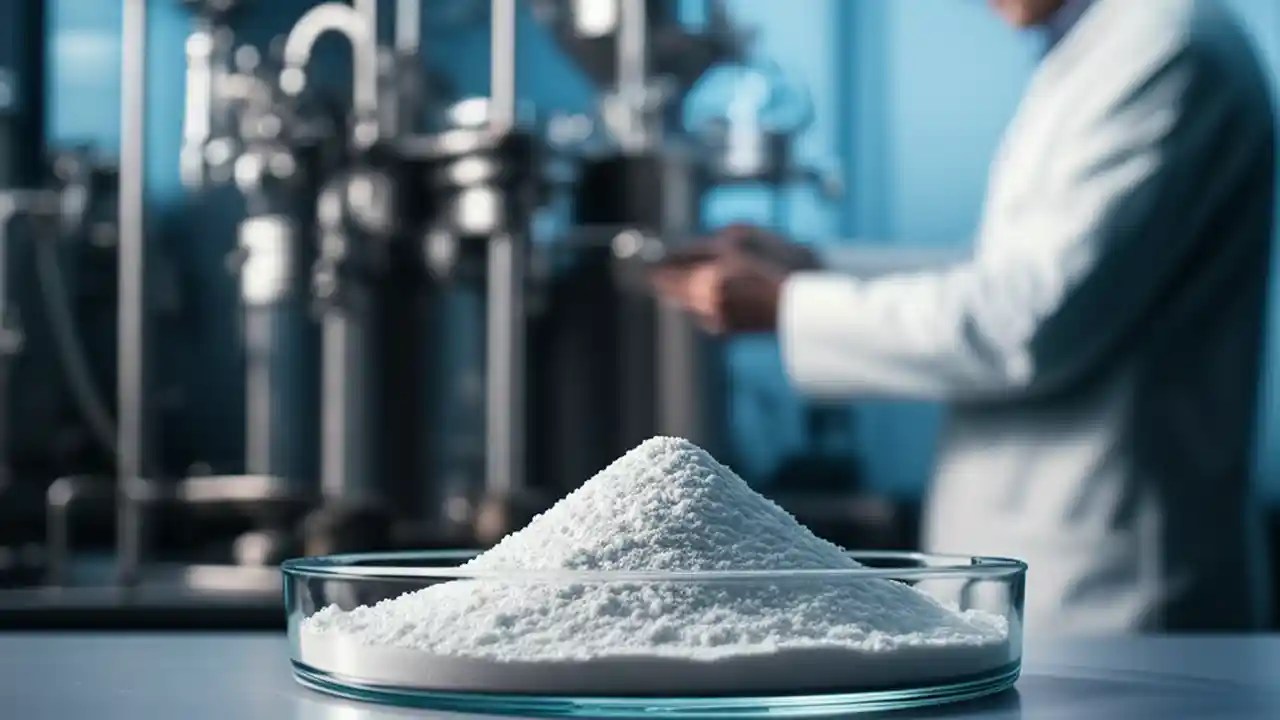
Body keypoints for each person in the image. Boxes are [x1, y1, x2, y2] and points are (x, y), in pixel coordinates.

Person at [651, 0, 1276, 633]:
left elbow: (1029, 325)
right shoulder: (1107, 44)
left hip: (1112, 585)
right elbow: (1009, 274)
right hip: (1059, 565)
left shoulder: (1166, 45)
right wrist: (809, 266)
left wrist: (788, 305)